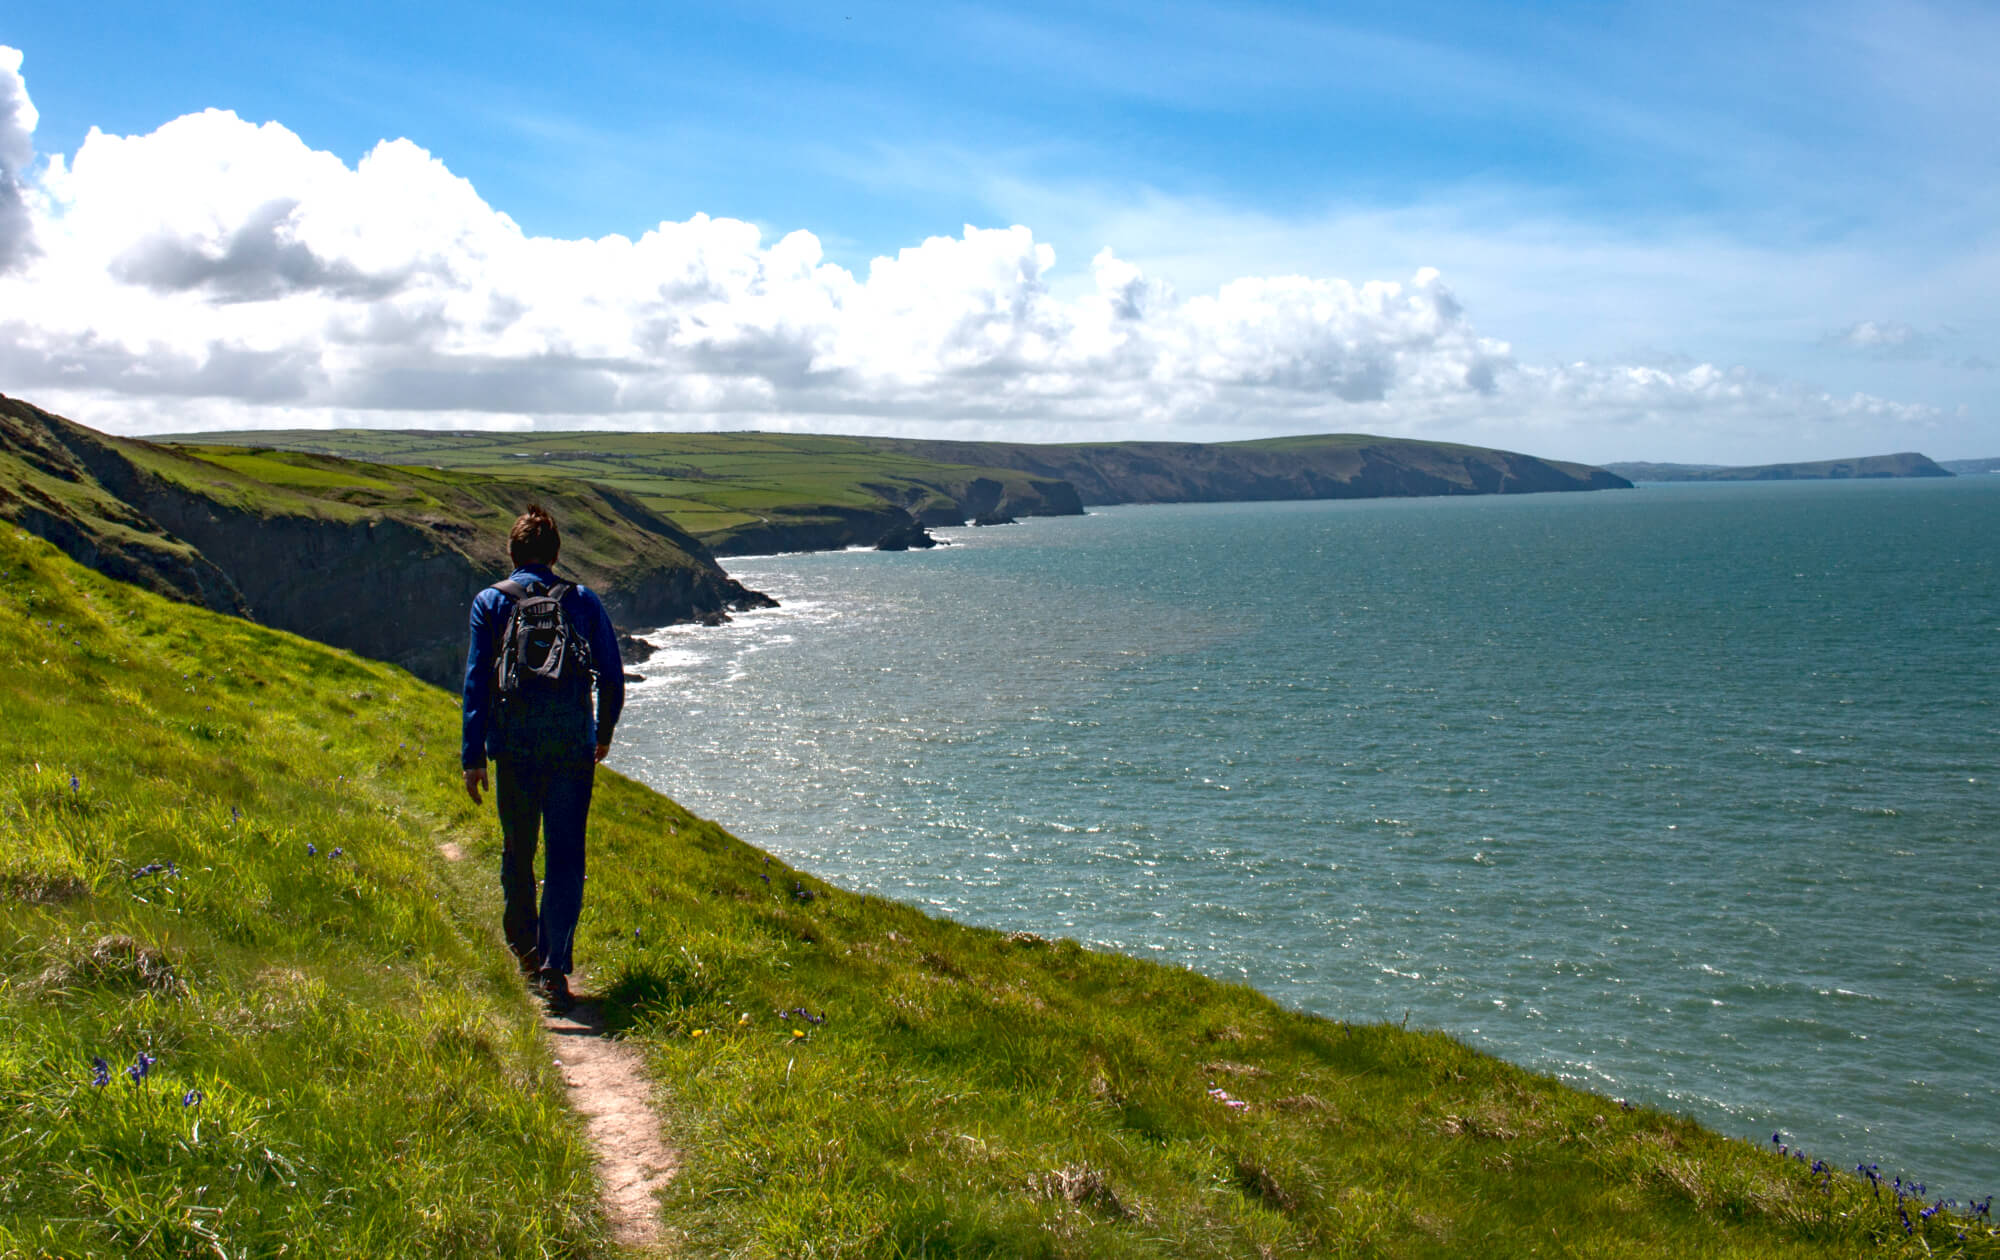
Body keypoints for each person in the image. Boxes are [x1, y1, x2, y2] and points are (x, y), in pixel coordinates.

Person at [461, 505, 624, 1012]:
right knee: (565, 857)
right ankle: (556, 968)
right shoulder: (583, 601)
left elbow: (475, 683)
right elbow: (612, 675)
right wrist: (603, 732)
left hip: (515, 749)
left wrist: (473, 756)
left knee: (518, 852)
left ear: (511, 553)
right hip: (571, 747)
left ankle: (526, 957)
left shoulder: (490, 602)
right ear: (555, 554)